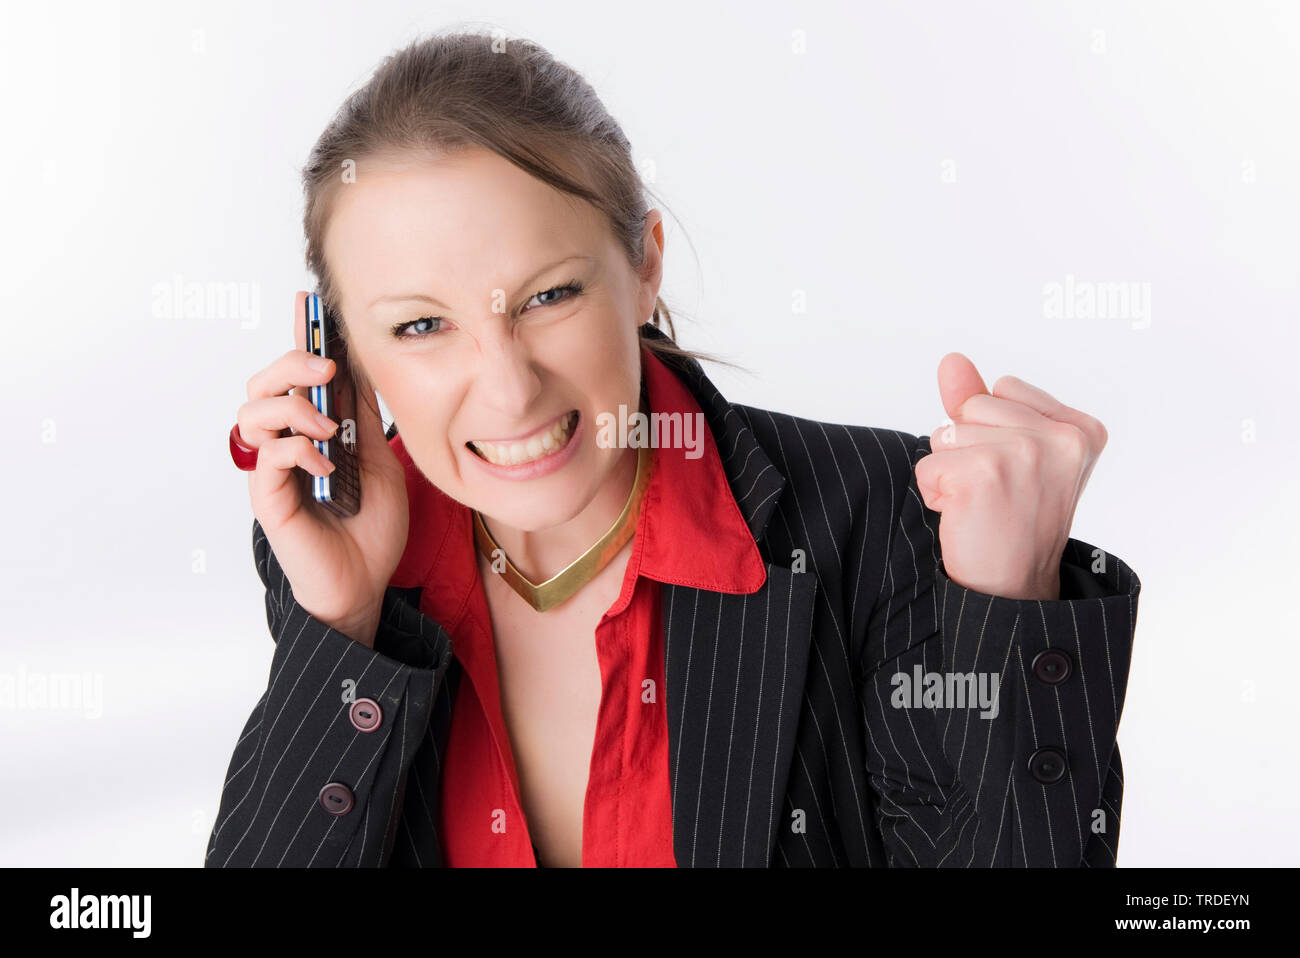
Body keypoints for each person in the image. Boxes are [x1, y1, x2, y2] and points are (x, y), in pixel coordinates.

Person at [206, 30, 1140, 868]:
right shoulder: (355, 563)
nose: (508, 387)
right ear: (341, 358)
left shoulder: (882, 518)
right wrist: (339, 624)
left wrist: (1010, 607)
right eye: (418, 326)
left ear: (644, 265)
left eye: (548, 296)